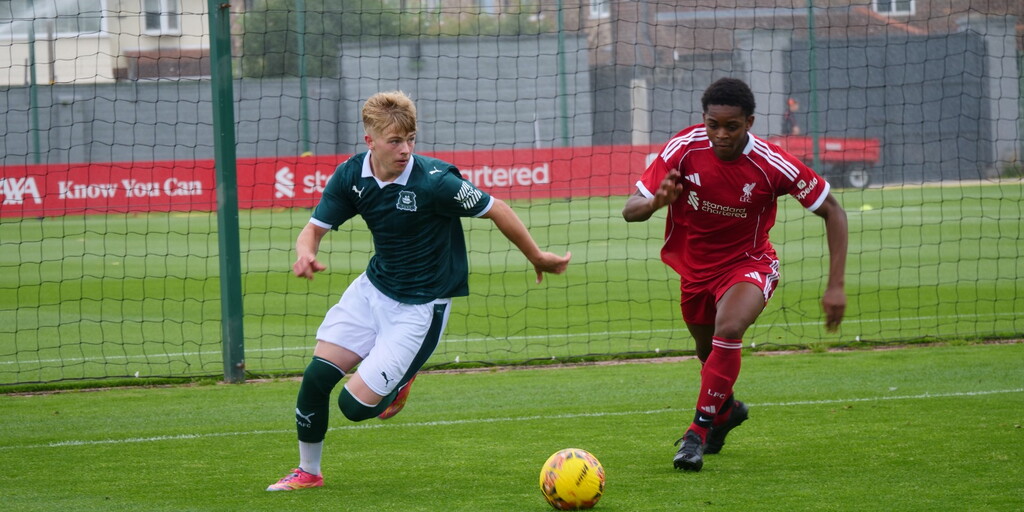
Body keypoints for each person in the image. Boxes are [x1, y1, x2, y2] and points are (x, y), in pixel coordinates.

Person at [268, 90, 572, 491]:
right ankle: (309, 472)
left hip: (420, 307)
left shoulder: (435, 183)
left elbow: (496, 207)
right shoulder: (350, 175)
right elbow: (312, 230)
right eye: (395, 141)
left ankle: (402, 374)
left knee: (353, 407)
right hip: (373, 291)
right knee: (315, 379)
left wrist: (535, 256)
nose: (405, 149)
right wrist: (305, 254)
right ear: (370, 142)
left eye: (411, 139)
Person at [622, 78, 847, 472]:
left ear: (750, 122)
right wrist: (659, 200)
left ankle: (696, 434)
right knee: (707, 354)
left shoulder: (771, 163)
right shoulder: (684, 148)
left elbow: (834, 211)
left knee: (728, 330)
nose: (721, 134)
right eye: (713, 125)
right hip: (695, 271)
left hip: (750, 263)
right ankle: (725, 412)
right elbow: (630, 209)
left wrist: (836, 286)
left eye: (732, 126)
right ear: (703, 119)